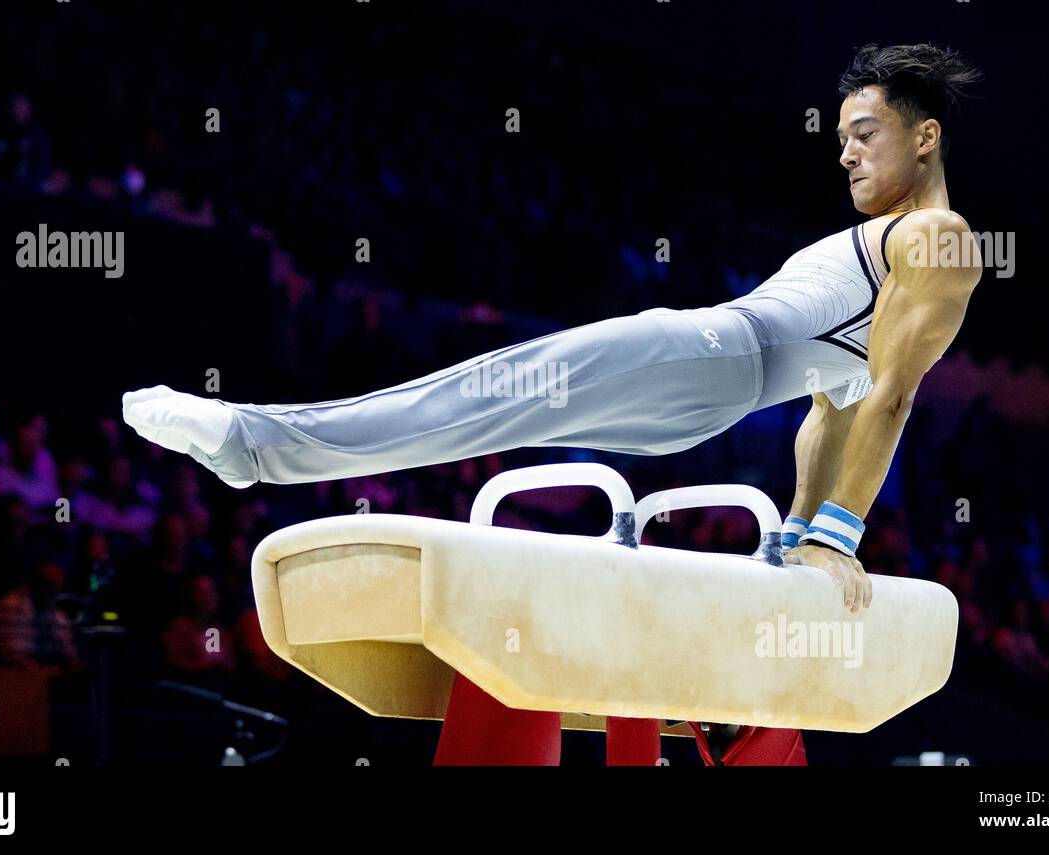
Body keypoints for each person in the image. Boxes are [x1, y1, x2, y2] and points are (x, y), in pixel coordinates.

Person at [124, 43, 985, 764]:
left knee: (479, 393)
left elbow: (893, 391)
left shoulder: (937, 237)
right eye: (840, 137)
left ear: (927, 137)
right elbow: (835, 403)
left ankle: (251, 442)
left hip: (706, 360)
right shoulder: (893, 243)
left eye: (865, 134)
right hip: (709, 386)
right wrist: (796, 538)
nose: (844, 152)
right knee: (485, 403)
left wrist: (838, 537)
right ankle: (258, 446)